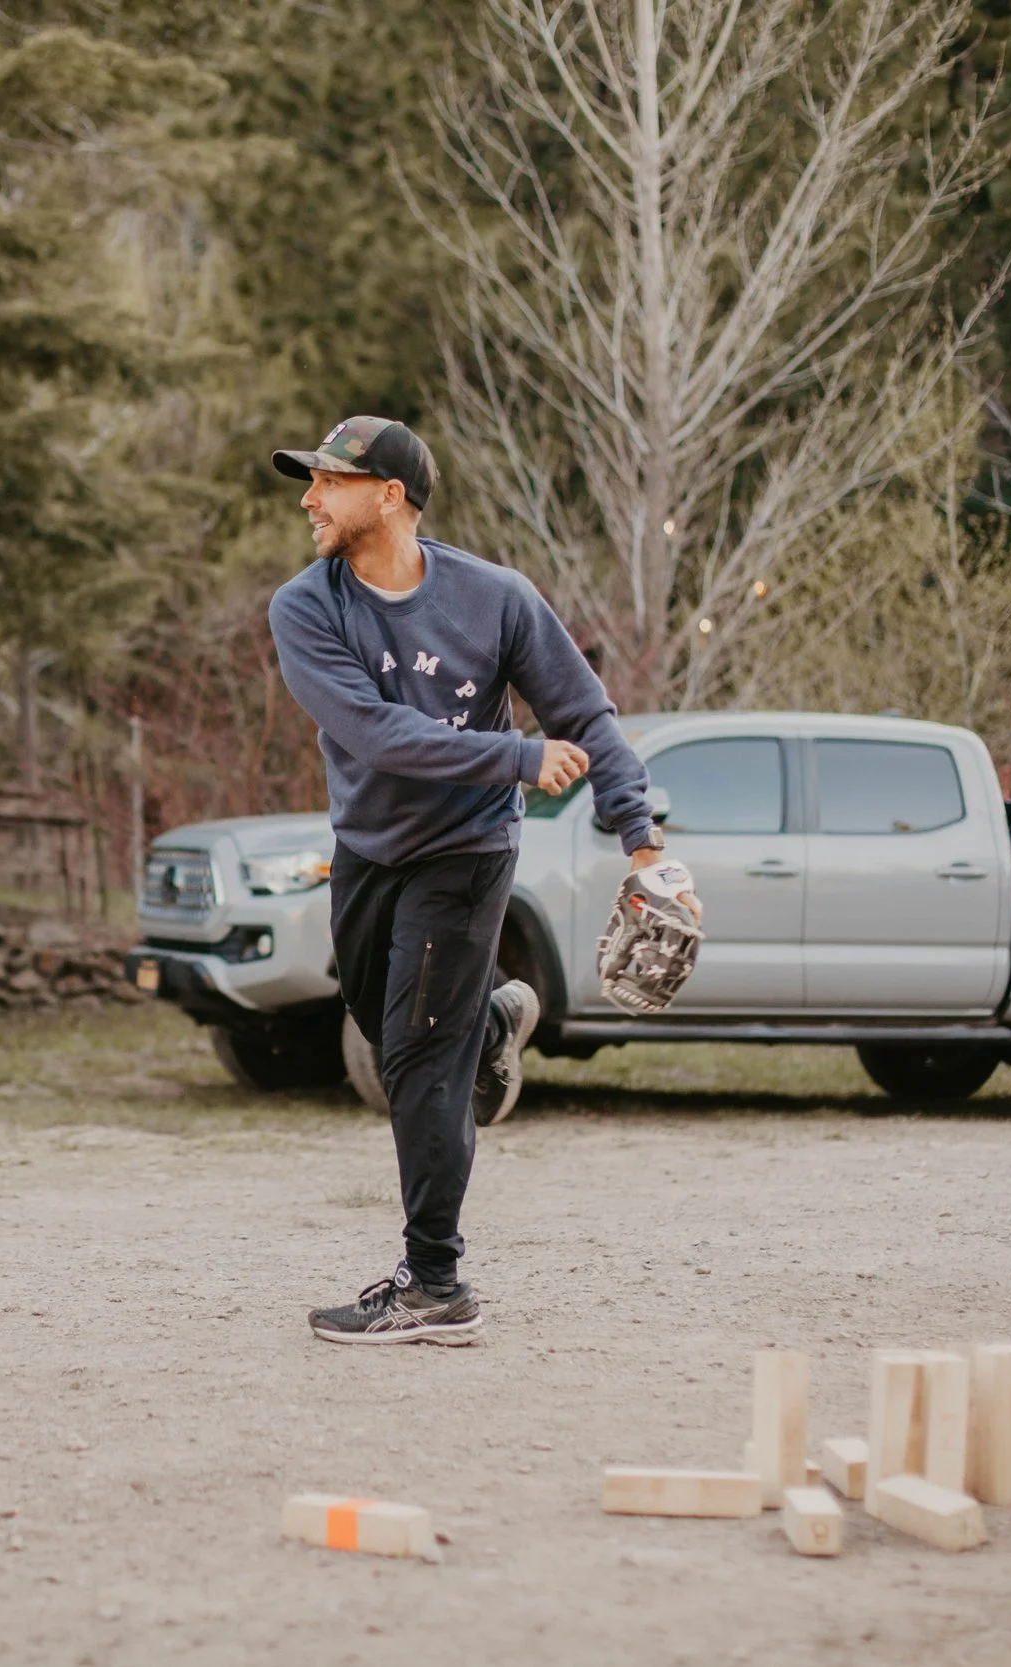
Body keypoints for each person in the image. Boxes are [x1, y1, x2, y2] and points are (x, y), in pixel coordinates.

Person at [266, 416, 699, 1344]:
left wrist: (643, 843)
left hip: (466, 853)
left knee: (420, 1062)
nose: (309, 498)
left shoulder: (495, 599)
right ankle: (497, 1016)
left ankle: (434, 1283)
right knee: (390, 1030)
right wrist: (514, 754)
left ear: (390, 495)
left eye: (328, 482)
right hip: (370, 849)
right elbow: (377, 735)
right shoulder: (304, 607)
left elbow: (588, 711)